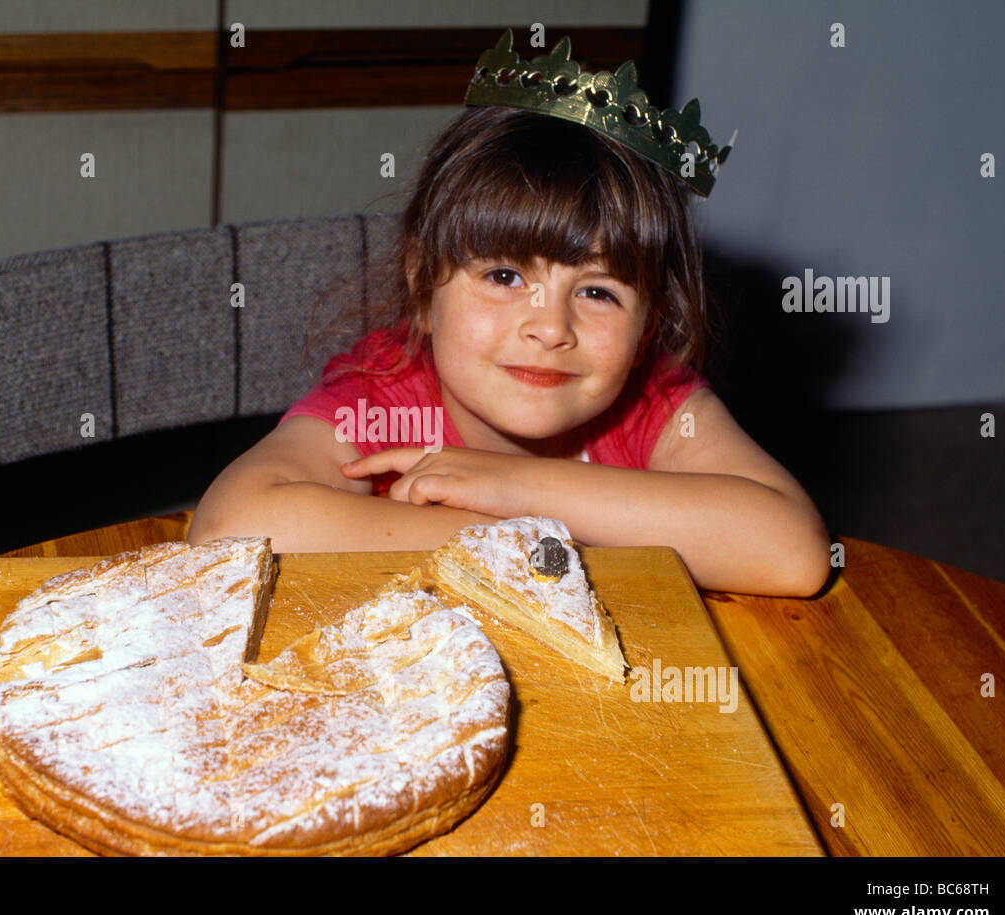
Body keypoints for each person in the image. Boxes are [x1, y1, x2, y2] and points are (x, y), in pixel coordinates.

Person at [189, 38, 831, 597]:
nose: (551, 327)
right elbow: (230, 527)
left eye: (599, 292)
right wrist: (522, 542)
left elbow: (793, 552)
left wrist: (517, 485)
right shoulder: (383, 394)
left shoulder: (657, 404)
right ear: (422, 283)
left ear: (649, 327)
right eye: (504, 276)